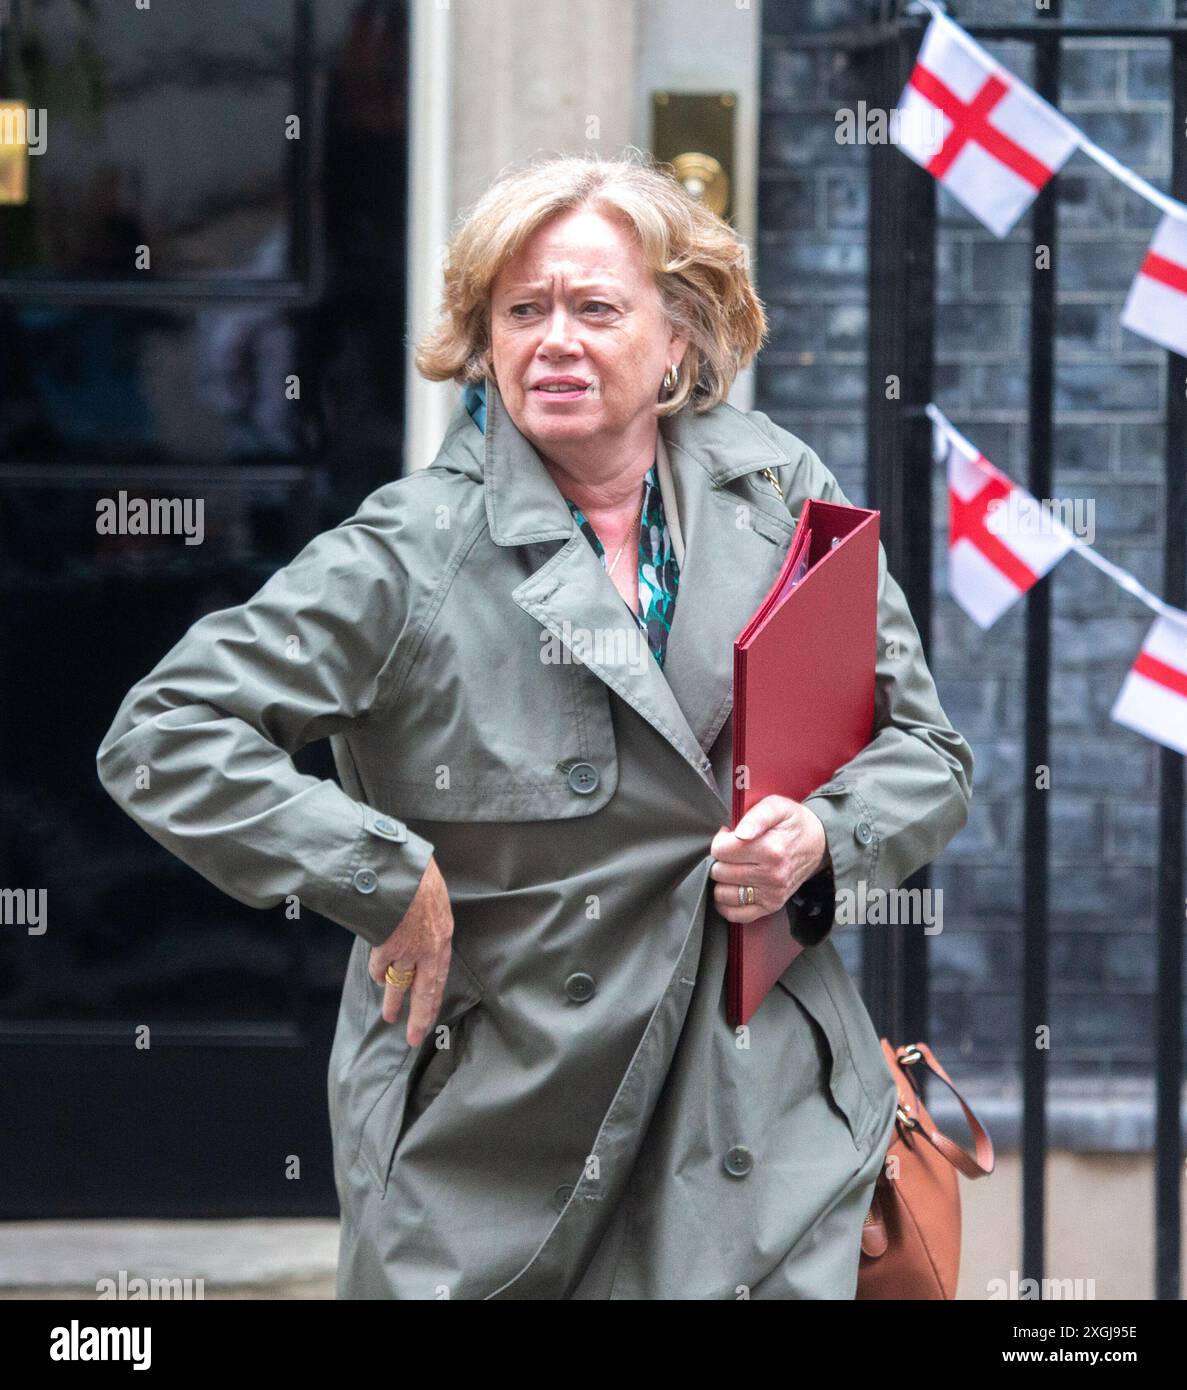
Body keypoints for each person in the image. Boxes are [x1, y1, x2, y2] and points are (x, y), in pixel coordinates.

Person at [96, 150, 973, 1300]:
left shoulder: (779, 492)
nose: (553, 339)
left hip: (755, 1121)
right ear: (485, 338)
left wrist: (821, 836)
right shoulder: (408, 548)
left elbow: (928, 754)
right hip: (493, 1141)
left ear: (677, 336)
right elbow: (163, 731)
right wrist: (379, 869)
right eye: (522, 310)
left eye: (595, 307)